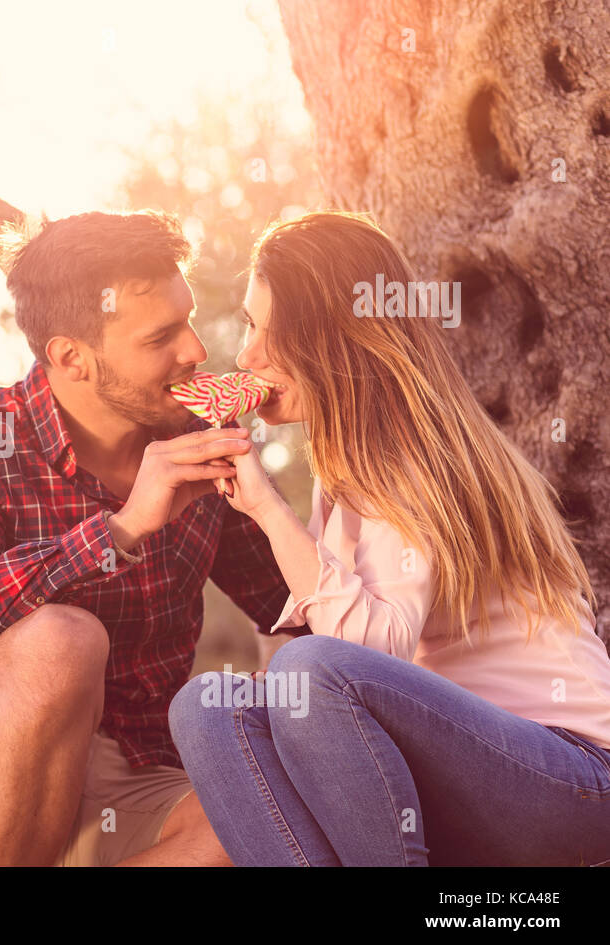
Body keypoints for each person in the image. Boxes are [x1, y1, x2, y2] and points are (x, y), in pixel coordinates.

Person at [169, 210, 610, 866]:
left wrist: (264, 506)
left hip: (568, 782)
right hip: (472, 781)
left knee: (306, 673)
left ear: (326, 338)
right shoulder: (344, 469)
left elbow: (369, 653)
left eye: (265, 328)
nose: (246, 356)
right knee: (211, 704)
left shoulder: (409, 454)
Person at [0, 209, 307, 866]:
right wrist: (118, 531)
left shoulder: (194, 444)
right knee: (62, 640)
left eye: (189, 319)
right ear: (71, 358)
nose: (196, 350)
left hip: (139, 776)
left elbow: (295, 609)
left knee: (267, 824)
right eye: (160, 337)